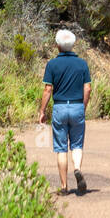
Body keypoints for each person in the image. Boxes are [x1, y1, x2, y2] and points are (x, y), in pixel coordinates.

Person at [38, 28, 92, 195]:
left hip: (60, 107)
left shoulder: (52, 64)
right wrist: (83, 106)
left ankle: (63, 187)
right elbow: (88, 88)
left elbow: (48, 89)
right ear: (73, 44)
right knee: (76, 145)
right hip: (77, 106)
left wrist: (42, 110)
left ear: (58, 45)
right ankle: (77, 168)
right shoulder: (82, 64)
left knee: (61, 148)